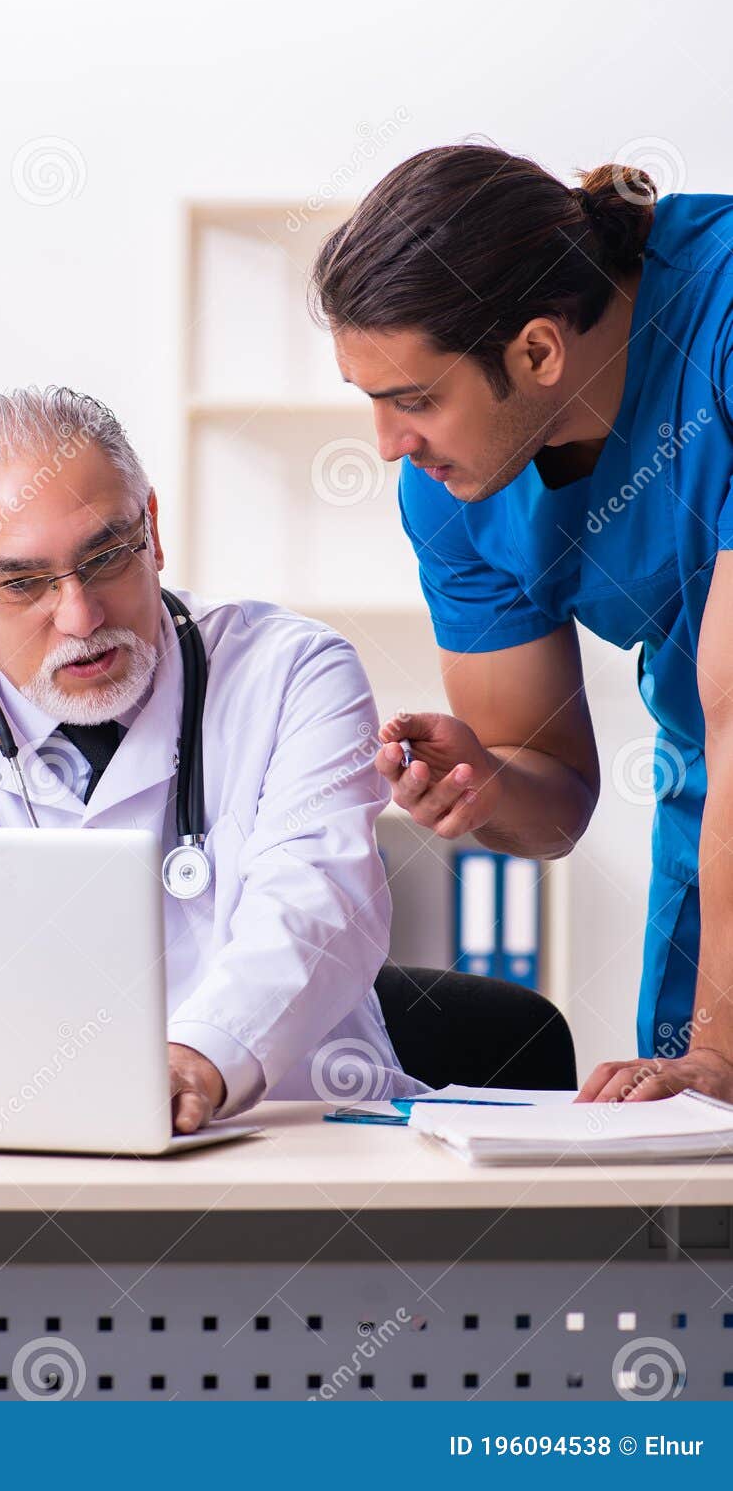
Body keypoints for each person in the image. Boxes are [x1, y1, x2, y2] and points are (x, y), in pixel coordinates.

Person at [0, 386, 424, 1132]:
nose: (79, 616)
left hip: (300, 1148)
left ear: (153, 530)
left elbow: (320, 902)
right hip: (10, 1163)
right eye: (21, 583)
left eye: (105, 557)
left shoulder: (293, 673)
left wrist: (198, 1059)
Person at [310, 142, 733, 1106]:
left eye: (414, 400)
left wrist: (724, 1052)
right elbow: (560, 804)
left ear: (538, 350)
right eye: (372, 402)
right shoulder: (452, 491)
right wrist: (487, 781)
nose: (387, 447)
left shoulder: (722, 319)